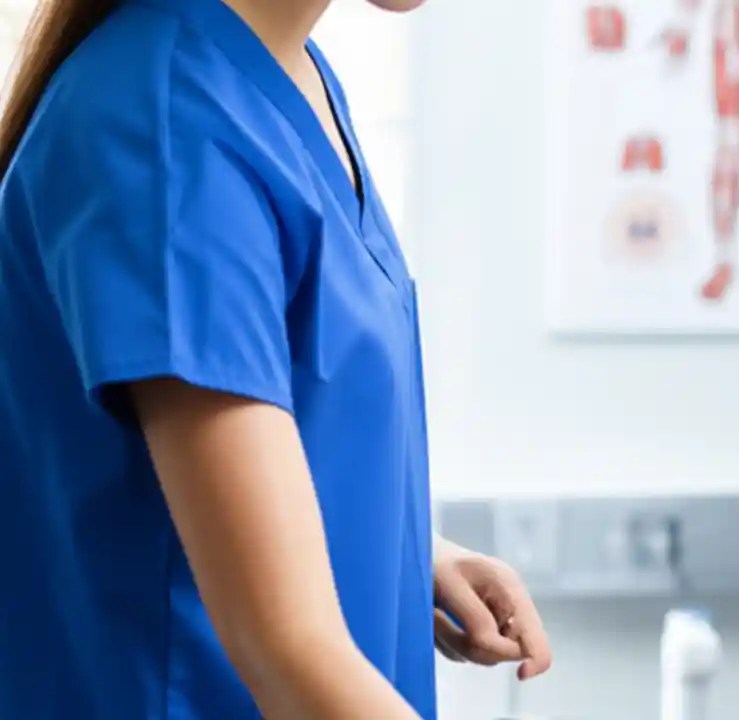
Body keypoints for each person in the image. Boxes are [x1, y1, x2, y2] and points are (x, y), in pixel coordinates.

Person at [0, 0, 550, 717]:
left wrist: (409, 552)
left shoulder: (287, 76)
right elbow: (288, 653)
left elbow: (280, 408)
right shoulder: (168, 122)